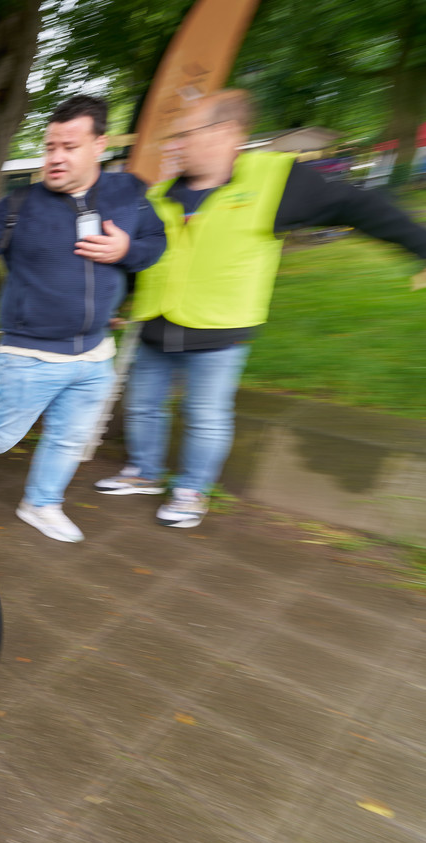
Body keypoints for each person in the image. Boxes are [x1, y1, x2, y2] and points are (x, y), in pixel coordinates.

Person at [95, 89, 426, 527]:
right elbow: (139, 255)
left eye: (185, 134)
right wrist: (116, 302)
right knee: (142, 405)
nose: (174, 145)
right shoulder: (161, 194)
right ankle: (145, 472)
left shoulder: (275, 179)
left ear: (224, 133)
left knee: (205, 415)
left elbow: (359, 205)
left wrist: (420, 247)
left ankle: (191, 490)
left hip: (219, 329)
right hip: (156, 321)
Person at [0, 95, 167, 543]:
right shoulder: (19, 208)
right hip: (31, 355)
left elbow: (156, 242)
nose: (56, 157)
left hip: (96, 353)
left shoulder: (129, 194)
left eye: (69, 146)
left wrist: (128, 252)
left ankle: (40, 503)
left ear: (99, 145)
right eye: (49, 146)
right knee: (2, 435)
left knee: (68, 439)